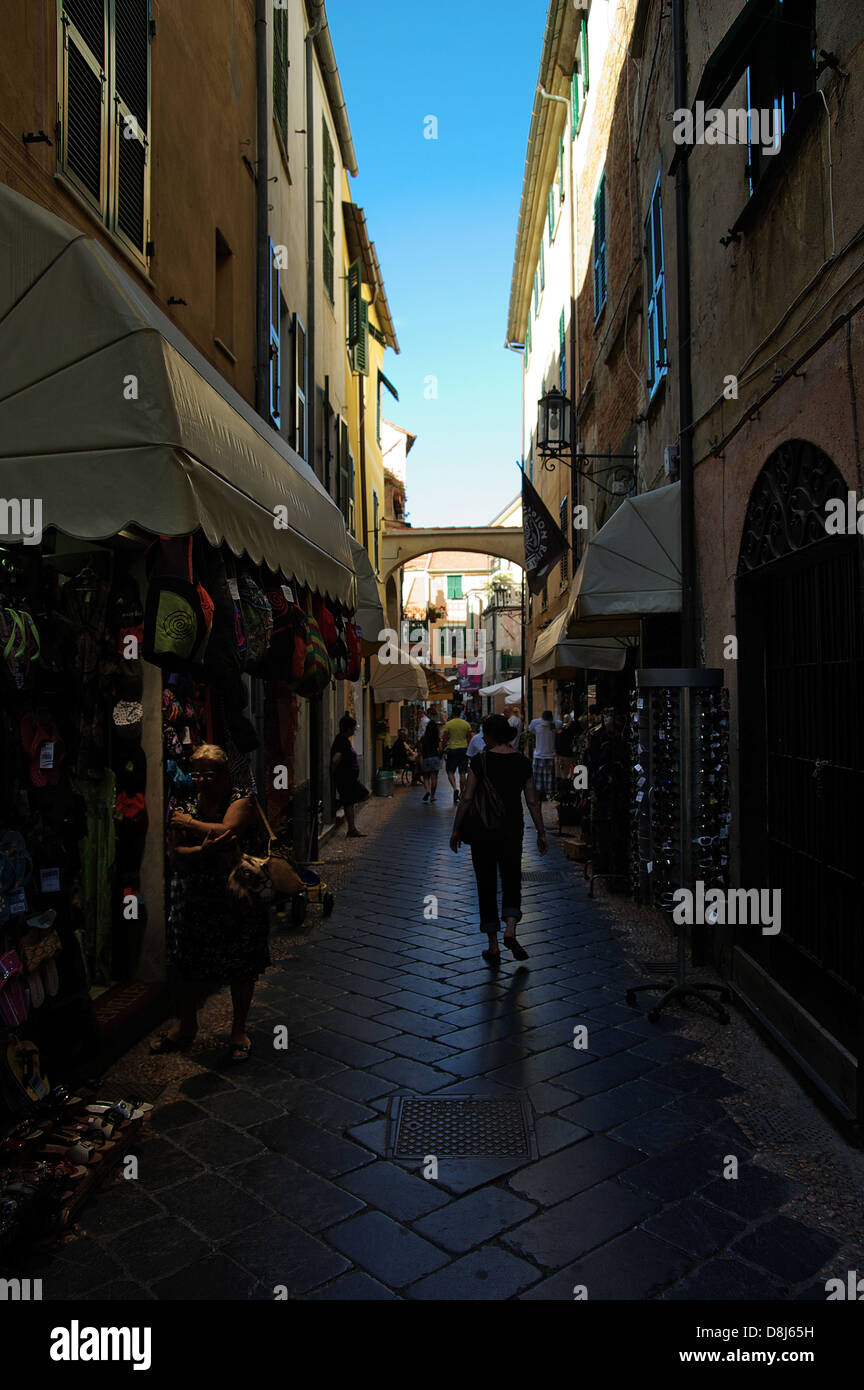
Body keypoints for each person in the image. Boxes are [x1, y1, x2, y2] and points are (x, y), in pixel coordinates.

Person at [153, 744, 269, 1063]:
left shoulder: (242, 798)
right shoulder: (187, 800)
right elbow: (178, 849)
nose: (201, 780)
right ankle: (187, 1026)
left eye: (208, 774)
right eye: (196, 774)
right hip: (199, 893)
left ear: (223, 774)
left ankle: (238, 1031)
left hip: (238, 893)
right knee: (188, 963)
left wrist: (189, 824)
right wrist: (201, 850)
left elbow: (228, 830)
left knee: (241, 964)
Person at [450, 712, 547, 965]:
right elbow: (532, 801)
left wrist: (456, 828)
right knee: (512, 877)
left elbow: (467, 797)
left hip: (483, 831)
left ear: (490, 735)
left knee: (486, 884)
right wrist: (541, 832)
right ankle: (511, 929)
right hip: (512, 829)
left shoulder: (480, 762)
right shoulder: (523, 762)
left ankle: (493, 946)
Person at [330, 714, 369, 837]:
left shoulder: (343, 739)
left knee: (351, 800)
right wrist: (334, 772)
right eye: (353, 728)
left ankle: (351, 828)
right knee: (361, 795)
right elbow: (336, 759)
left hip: (348, 778)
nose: (354, 731)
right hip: (346, 779)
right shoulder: (342, 741)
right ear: (348, 729)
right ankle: (351, 828)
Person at [528, 709, 562, 803]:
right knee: (548, 780)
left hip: (540, 756)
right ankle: (545, 797)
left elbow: (529, 729)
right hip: (548, 756)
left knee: (539, 780)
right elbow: (561, 725)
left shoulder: (535, 723)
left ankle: (541, 797)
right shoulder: (556, 723)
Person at [440, 706, 472, 804]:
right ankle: (462, 792)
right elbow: (469, 738)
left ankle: (454, 788)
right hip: (463, 749)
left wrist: (443, 746)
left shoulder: (448, 724)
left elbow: (445, 738)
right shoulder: (466, 724)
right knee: (463, 772)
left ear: (453, 713)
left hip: (452, 749)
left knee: (450, 771)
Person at [419, 717, 442, 802]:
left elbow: (420, 750)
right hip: (435, 758)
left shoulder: (423, 738)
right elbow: (440, 749)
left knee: (425, 777)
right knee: (434, 778)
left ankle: (427, 791)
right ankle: (432, 796)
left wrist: (421, 761)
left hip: (426, 759)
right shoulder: (437, 738)